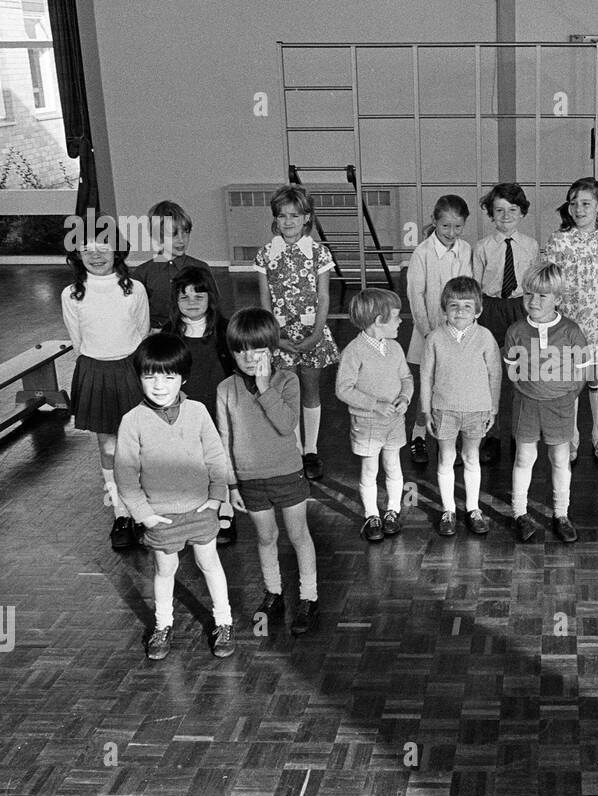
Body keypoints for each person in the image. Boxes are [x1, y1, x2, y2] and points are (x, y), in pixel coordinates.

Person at [114, 333, 234, 660]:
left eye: (169, 376)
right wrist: (144, 515)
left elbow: (215, 457)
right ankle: (163, 625)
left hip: (201, 511)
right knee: (165, 571)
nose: (159, 385)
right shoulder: (132, 422)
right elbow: (124, 475)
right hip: (160, 517)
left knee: (210, 564)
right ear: (139, 378)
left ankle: (223, 621)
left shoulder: (197, 412)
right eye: (150, 376)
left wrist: (216, 496)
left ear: (183, 378)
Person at [217, 307, 321, 636]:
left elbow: (287, 424)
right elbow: (224, 439)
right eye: (240, 349)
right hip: (250, 480)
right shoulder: (226, 389)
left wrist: (265, 388)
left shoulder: (287, 381)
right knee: (265, 537)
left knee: (299, 535)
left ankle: (309, 595)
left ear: (272, 348)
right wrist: (231, 485)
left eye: (257, 349)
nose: (248, 357)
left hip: (287, 474)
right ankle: (273, 592)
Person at [60, 241, 150, 549]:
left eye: (104, 248)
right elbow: (77, 340)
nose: (96, 256)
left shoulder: (134, 289)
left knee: (139, 444)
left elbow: (142, 331)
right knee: (109, 447)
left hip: (130, 370)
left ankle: (143, 510)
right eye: (87, 249)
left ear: (118, 252)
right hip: (95, 370)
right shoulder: (72, 294)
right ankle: (120, 513)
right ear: (76, 255)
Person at [254, 184, 340, 481]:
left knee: (310, 390)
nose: (288, 221)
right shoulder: (266, 254)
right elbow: (265, 298)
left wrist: (317, 334)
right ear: (275, 219)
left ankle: (311, 450)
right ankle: (294, 447)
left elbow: (325, 296)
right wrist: (275, 337)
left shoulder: (319, 253)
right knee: (286, 392)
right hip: (280, 335)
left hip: (311, 333)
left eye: (295, 215)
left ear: (307, 218)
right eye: (282, 215)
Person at [504, 262, 590, 543]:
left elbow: (583, 370)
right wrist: (531, 391)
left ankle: (561, 514)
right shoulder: (516, 331)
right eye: (529, 294)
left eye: (542, 296)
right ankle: (519, 512)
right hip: (527, 405)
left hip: (560, 406)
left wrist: (564, 393)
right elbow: (512, 373)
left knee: (560, 459)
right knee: (524, 458)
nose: (534, 301)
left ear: (558, 299)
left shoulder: (570, 330)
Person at [543, 176, 598, 464]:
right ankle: (570, 436)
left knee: (596, 381)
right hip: (567, 325)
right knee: (570, 383)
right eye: (574, 203)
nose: (579, 209)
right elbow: (550, 282)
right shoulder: (558, 240)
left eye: (586, 203)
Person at [420, 276, 502, 536]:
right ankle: (448, 510)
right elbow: (426, 376)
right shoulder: (434, 338)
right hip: (444, 409)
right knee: (446, 457)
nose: (460, 312)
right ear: (444, 308)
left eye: (467, 306)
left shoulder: (485, 337)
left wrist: (493, 407)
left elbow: (495, 373)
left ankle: (473, 507)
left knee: (470, 456)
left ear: (478, 309)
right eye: (453, 305)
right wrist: (426, 411)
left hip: (477, 409)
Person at [164, 266, 237, 543]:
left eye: (198, 296)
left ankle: (224, 509)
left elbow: (236, 368)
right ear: (175, 301)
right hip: (184, 410)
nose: (192, 303)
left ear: (211, 297)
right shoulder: (170, 332)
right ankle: (193, 511)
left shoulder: (224, 329)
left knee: (219, 459)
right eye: (184, 297)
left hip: (218, 408)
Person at [335, 288, 412, 543]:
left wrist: (404, 398)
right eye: (396, 317)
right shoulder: (353, 352)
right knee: (370, 470)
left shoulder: (395, 348)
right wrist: (374, 405)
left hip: (394, 421)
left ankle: (392, 510)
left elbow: (406, 378)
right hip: (367, 423)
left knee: (393, 466)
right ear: (379, 321)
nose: (401, 321)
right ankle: (371, 514)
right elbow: (343, 389)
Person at [473, 182, 539, 465]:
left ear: (522, 212)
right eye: (499, 210)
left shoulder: (532, 245)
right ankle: (492, 434)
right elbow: (475, 285)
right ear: (490, 214)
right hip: (491, 308)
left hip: (521, 307)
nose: (505, 215)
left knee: (519, 374)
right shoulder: (483, 247)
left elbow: (535, 283)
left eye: (512, 209)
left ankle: (518, 432)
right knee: (491, 374)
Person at [405, 194, 473, 468]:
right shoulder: (421, 253)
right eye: (446, 226)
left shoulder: (465, 249)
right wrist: (429, 333)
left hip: (457, 334)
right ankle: (418, 435)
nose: (451, 233)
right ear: (435, 222)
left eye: (458, 227)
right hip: (429, 333)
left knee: (452, 388)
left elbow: (468, 290)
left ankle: (449, 436)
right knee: (427, 388)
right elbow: (415, 296)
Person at [132, 201, 217, 332]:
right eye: (173, 234)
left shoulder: (201, 268)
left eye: (186, 232)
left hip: (193, 331)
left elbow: (214, 306)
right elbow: (136, 313)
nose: (181, 240)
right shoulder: (143, 273)